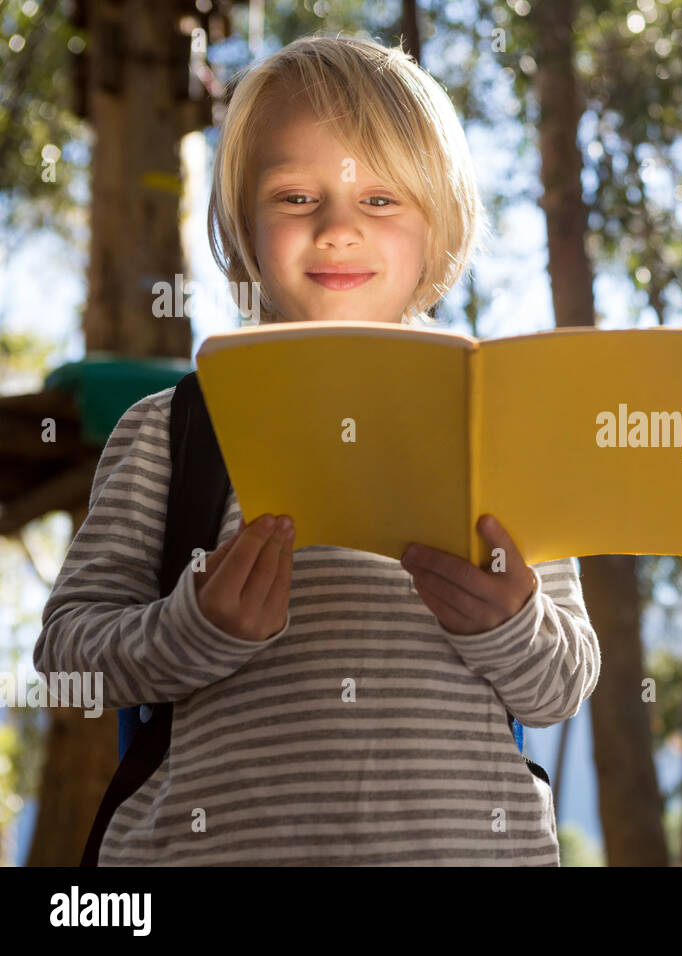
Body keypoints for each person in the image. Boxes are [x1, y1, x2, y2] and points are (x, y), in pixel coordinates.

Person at [35, 34, 601, 865]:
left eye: (380, 201)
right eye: (296, 197)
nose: (338, 229)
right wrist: (195, 629)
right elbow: (66, 664)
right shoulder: (173, 429)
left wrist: (512, 623)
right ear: (243, 225)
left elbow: (561, 685)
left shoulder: (500, 429)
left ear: (438, 228)